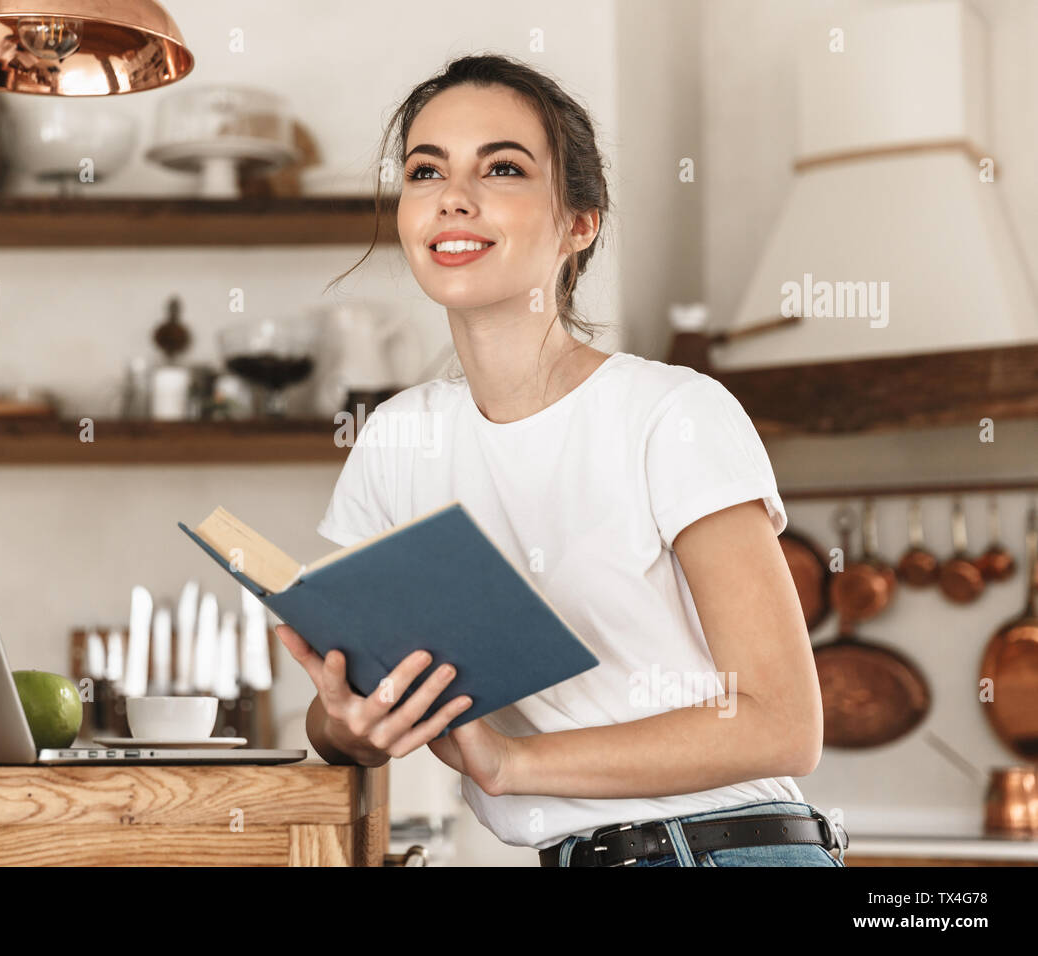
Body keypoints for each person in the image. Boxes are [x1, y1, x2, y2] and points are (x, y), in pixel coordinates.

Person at [276, 53, 845, 867]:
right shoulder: (396, 440)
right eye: (424, 170)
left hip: (728, 852)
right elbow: (346, 716)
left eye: (502, 167)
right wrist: (348, 724)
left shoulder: (671, 415)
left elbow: (783, 724)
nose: (453, 197)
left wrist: (516, 764)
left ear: (581, 223)